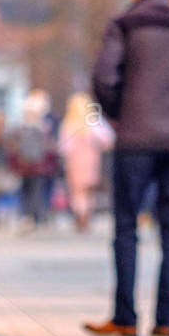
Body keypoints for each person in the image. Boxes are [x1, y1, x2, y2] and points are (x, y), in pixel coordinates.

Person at [84, 0, 169, 336]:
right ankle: (166, 319)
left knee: (126, 227)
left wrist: (118, 112)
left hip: (135, 140)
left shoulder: (124, 24)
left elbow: (103, 76)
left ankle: (126, 317)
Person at [59, 91, 115, 232]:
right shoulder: (93, 122)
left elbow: (64, 147)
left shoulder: (68, 124)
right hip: (91, 160)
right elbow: (108, 139)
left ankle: (80, 216)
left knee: (77, 192)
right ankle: (86, 216)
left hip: (75, 162)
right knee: (88, 191)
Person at [11, 89, 57, 229]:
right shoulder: (43, 128)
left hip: (24, 165)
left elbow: (13, 149)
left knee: (26, 191)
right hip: (39, 166)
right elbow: (49, 148)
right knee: (37, 192)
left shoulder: (21, 129)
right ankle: (37, 217)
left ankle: (27, 216)